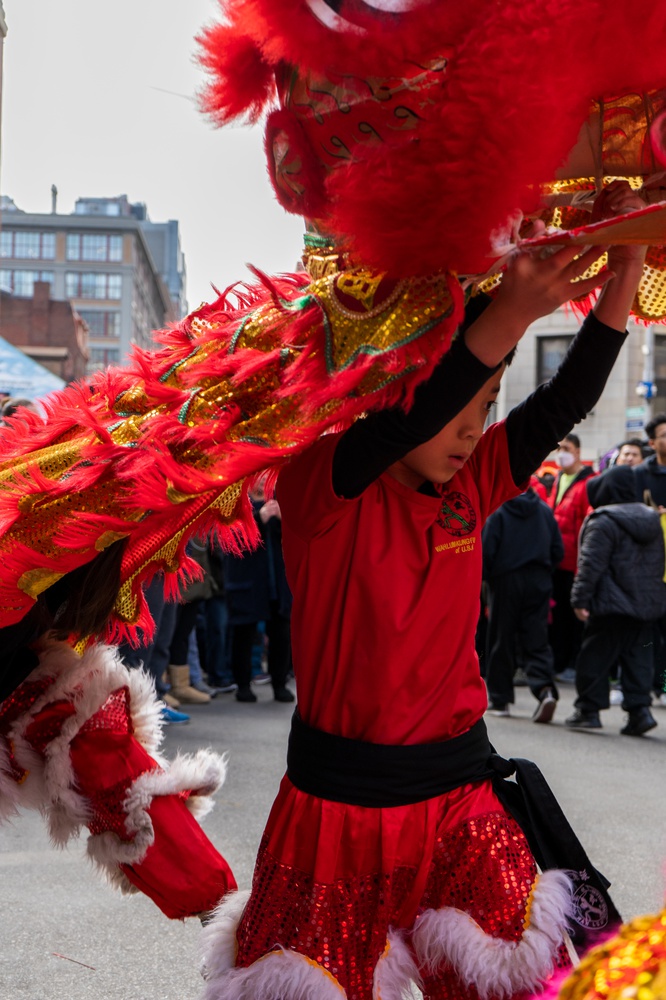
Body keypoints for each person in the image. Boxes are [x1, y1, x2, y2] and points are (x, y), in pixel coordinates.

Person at [201, 184, 644, 999]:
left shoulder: (468, 486)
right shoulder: (323, 489)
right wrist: (506, 312)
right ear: (395, 394)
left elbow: (566, 401)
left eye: (488, 407)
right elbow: (411, 418)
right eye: (460, 408)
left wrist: (628, 261)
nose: (475, 428)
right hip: (335, 813)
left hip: (459, 803)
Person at [566, 466, 665, 735]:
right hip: (644, 604)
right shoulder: (651, 520)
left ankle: (588, 710)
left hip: (609, 604)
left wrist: (579, 599)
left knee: (594, 656)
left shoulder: (603, 521)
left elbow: (590, 565)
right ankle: (639, 712)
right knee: (638, 658)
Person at [482, 487, 563, 721]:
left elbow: (487, 551)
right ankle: (545, 689)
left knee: (501, 638)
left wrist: (486, 578)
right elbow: (557, 548)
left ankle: (500, 699)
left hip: (506, 580)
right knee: (536, 637)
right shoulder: (544, 511)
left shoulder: (498, 512)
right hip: (539, 578)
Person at [548, 433, 595, 681]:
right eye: (558, 448)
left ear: (577, 452)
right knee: (559, 618)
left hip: (574, 564)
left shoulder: (587, 483)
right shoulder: (558, 480)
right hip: (557, 562)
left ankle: (572, 665)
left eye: (566, 448)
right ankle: (560, 661)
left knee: (573, 618)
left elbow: (586, 527)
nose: (561, 453)